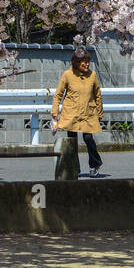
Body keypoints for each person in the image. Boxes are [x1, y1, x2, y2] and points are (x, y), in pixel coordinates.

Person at [52, 48, 105, 177]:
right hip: (71, 112)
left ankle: (95, 163)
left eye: (88, 61)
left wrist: (100, 112)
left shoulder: (92, 75)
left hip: (88, 112)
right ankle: (74, 167)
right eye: (83, 62)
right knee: (72, 141)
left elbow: (97, 94)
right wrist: (55, 112)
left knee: (88, 138)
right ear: (76, 62)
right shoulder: (67, 75)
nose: (86, 64)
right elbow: (58, 94)